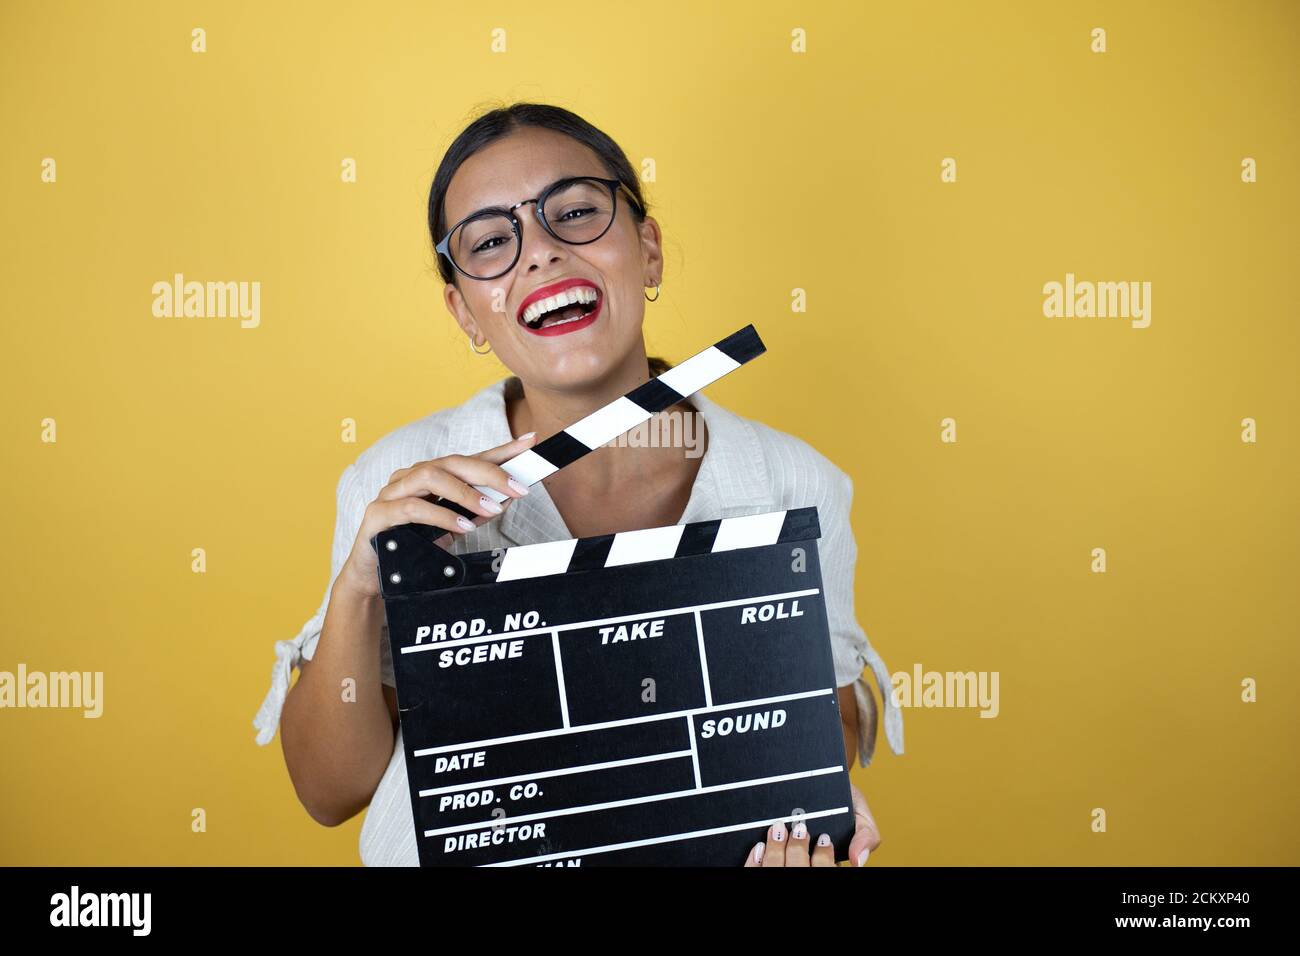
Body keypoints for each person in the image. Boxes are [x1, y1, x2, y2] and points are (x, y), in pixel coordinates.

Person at [252, 102, 904, 866]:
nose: (540, 253)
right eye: (493, 240)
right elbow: (331, 794)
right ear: (465, 310)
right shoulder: (394, 484)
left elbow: (819, 717)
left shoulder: (795, 484)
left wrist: (808, 796)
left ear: (648, 250)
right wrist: (362, 587)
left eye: (576, 213)